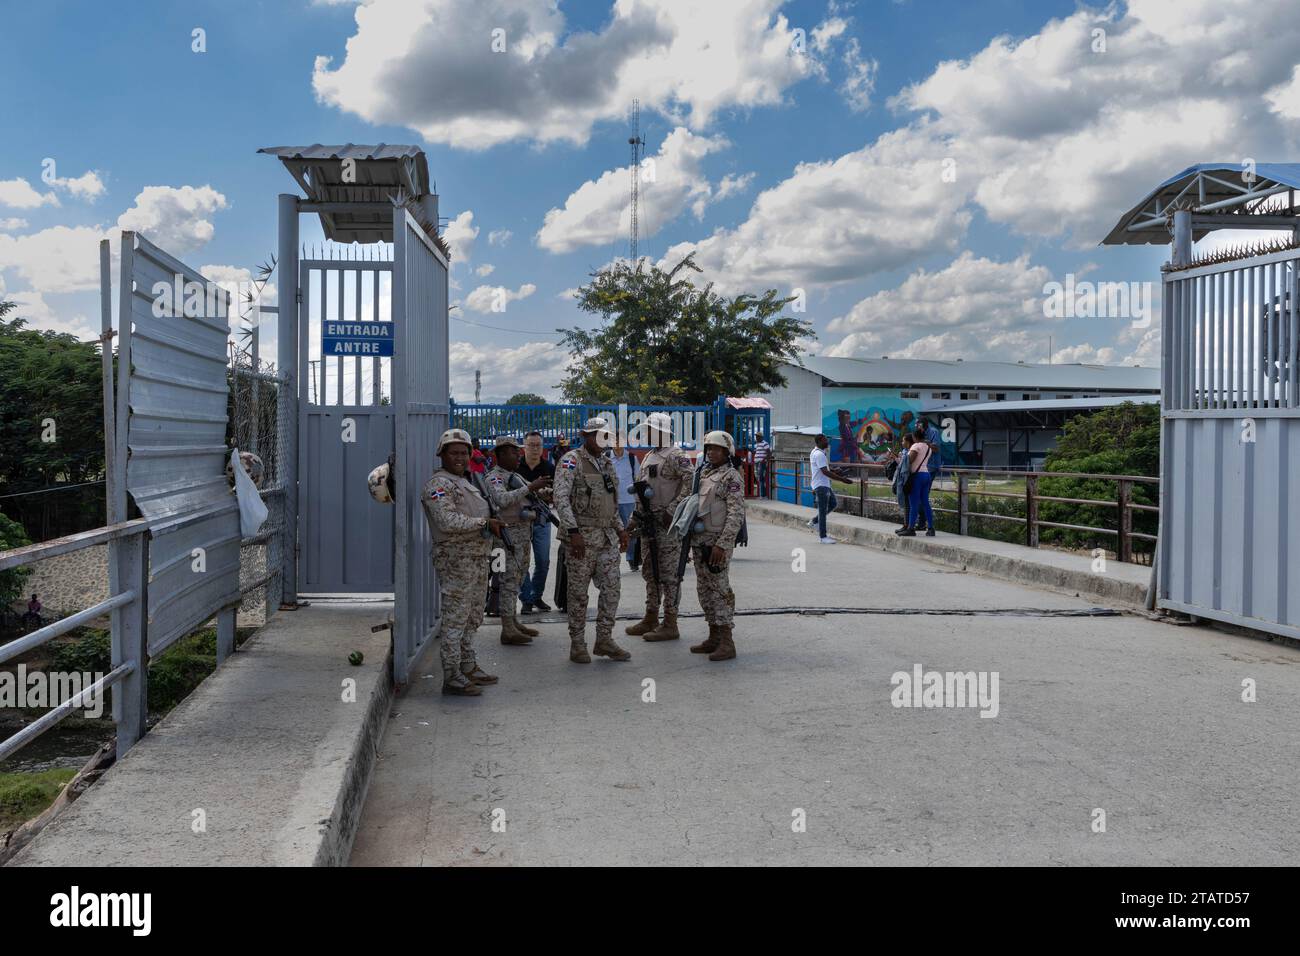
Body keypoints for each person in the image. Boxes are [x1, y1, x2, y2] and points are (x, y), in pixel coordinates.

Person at [421, 428, 504, 696]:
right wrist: (484, 523)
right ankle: (452, 675)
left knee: (473, 615)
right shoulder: (438, 485)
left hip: (477, 558)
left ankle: (468, 665)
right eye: (453, 453)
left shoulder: (467, 482)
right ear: (442, 454)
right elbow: (446, 521)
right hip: (456, 560)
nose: (459, 457)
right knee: (456, 618)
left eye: (464, 453)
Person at [552, 417, 631, 664]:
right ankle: (577, 644)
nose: (601, 439)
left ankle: (604, 639)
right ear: (584, 436)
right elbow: (561, 498)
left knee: (612, 589)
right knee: (578, 594)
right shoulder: (571, 461)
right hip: (581, 540)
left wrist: (621, 529)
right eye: (595, 434)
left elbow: (611, 502)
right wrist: (573, 532)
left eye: (604, 435)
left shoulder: (607, 463)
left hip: (606, 537)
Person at [625, 412, 693, 642]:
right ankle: (651, 616)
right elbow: (642, 489)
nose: (647, 433)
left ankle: (670, 622)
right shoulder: (649, 457)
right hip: (649, 523)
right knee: (650, 572)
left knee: (669, 575)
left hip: (667, 524)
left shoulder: (676, 455)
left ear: (663, 431)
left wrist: (672, 510)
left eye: (651, 429)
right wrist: (634, 518)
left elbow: (690, 482)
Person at [485, 436, 552, 645]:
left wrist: (545, 493)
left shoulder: (515, 476)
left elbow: (530, 496)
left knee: (517, 578)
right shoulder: (494, 478)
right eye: (514, 452)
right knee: (508, 581)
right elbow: (502, 500)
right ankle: (507, 628)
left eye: (517, 452)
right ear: (501, 455)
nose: (518, 456)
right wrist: (530, 487)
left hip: (523, 534)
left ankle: (513, 622)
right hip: (506, 536)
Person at [687, 431, 746, 661]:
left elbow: (735, 514)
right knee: (704, 589)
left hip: (717, 542)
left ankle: (727, 641)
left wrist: (723, 544)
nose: (711, 452)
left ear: (726, 451)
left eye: (716, 448)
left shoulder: (731, 478)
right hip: (701, 541)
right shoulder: (703, 473)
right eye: (709, 448)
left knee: (720, 590)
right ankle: (713, 636)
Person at [517, 430, 555, 614]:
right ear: (524, 446)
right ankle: (526, 599)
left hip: (542, 519)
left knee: (543, 561)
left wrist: (548, 495)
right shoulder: (515, 467)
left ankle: (536, 596)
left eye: (538, 445)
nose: (534, 448)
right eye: (531, 445)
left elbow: (557, 493)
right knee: (521, 562)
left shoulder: (549, 467)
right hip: (519, 521)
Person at [899, 424, 936, 537]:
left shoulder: (916, 446)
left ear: (915, 437)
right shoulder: (928, 447)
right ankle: (930, 528)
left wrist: (902, 457)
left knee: (913, 503)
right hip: (926, 475)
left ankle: (910, 528)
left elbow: (910, 460)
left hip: (917, 476)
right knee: (925, 503)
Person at [611, 436, 637, 568]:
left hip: (628, 500)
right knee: (611, 531)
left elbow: (638, 479)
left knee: (629, 530)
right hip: (611, 501)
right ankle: (613, 560)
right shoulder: (605, 458)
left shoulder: (632, 458)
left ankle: (631, 558)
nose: (617, 444)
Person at [809, 434, 838, 544]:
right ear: (820, 441)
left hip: (823, 484)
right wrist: (841, 479)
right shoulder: (819, 454)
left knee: (833, 503)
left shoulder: (817, 452)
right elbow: (824, 471)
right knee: (822, 510)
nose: (827, 442)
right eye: (825, 440)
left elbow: (823, 469)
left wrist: (835, 470)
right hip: (821, 486)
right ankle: (823, 537)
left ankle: (815, 521)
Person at [887, 434, 914, 532]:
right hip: (902, 479)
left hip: (906, 480)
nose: (902, 443)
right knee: (906, 504)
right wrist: (896, 458)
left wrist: (898, 458)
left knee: (908, 504)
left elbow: (905, 466)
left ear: (908, 442)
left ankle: (908, 526)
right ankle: (906, 525)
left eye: (903, 441)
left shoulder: (910, 453)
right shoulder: (905, 452)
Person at [752, 432, 771, 497]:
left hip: (761, 463)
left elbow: (769, 452)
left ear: (761, 437)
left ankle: (763, 494)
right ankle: (762, 493)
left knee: (760, 478)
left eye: (757, 436)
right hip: (757, 462)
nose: (756, 438)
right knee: (758, 478)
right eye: (756, 436)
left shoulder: (765, 443)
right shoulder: (757, 444)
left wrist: (765, 460)